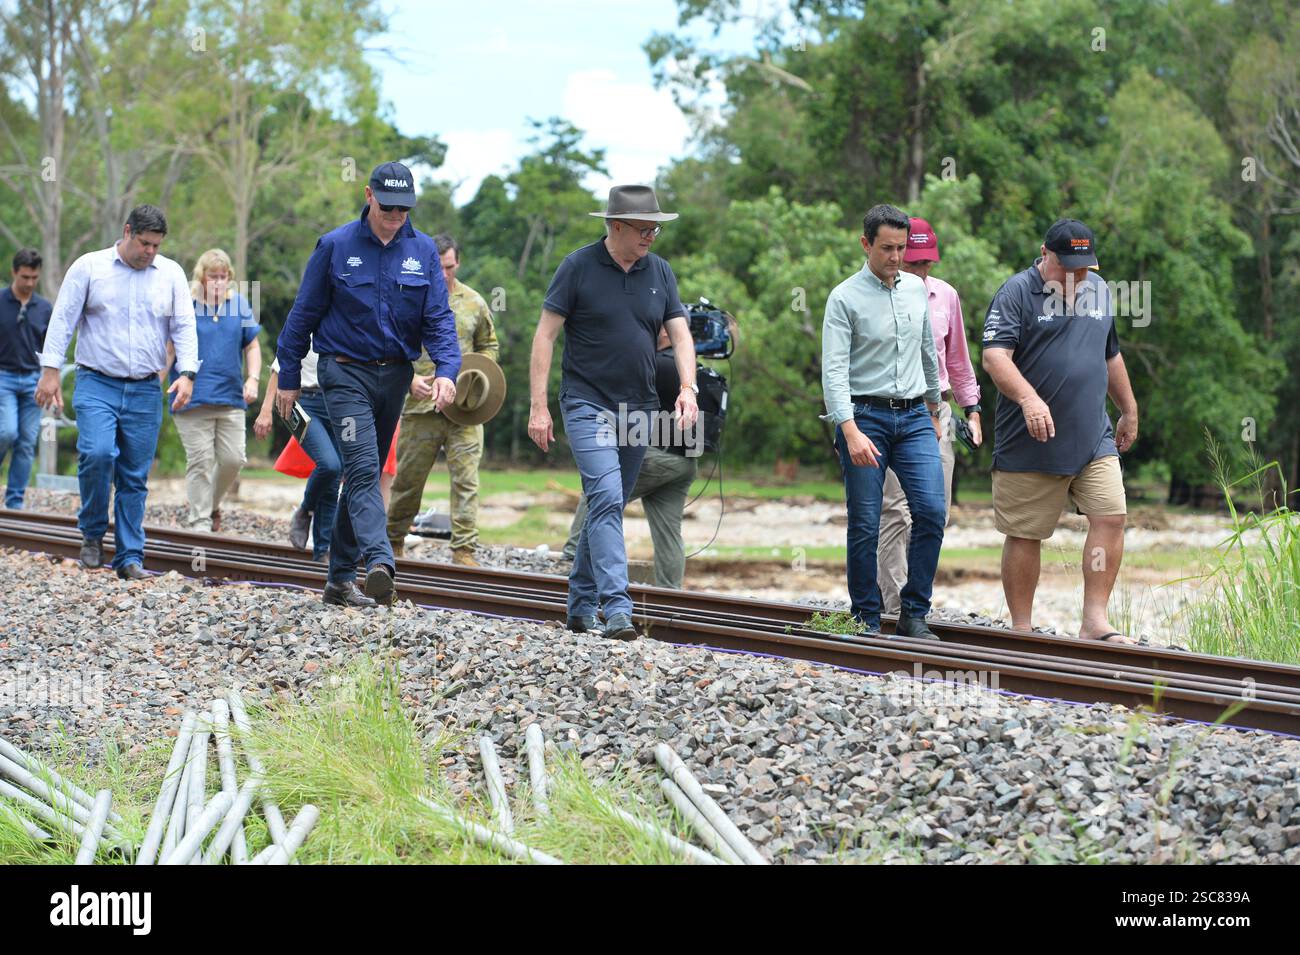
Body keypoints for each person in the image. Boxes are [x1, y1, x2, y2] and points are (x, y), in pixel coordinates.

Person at [275, 161, 460, 608]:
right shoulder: (335, 247)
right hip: (344, 372)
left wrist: (449, 372)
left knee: (366, 472)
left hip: (395, 374)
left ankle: (338, 580)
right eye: (389, 206)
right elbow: (302, 316)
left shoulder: (422, 252)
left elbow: (438, 320)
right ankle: (380, 563)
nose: (396, 216)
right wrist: (288, 377)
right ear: (368, 195)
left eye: (405, 208)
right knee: (360, 468)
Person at [528, 185, 698, 640]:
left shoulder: (660, 271)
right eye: (644, 228)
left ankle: (579, 606)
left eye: (656, 228)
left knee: (609, 504)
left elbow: (681, 337)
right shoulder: (577, 267)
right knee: (604, 499)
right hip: (586, 404)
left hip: (638, 411)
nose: (651, 236)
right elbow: (545, 335)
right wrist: (539, 406)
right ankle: (618, 607)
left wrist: (688, 388)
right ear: (615, 225)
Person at [981, 218, 1139, 643]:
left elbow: (1111, 356)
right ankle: (1021, 628)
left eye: (1083, 268)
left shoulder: (1100, 292)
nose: (1076, 276)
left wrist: (1128, 408)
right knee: (1026, 532)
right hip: (1031, 439)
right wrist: (1030, 399)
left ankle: (1094, 621)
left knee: (1111, 517)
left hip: (1093, 436)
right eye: (1067, 266)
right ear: (1044, 254)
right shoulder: (1016, 292)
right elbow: (995, 358)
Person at [35, 204, 198, 578]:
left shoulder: (170, 274)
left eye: (156, 245)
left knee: (134, 475)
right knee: (97, 453)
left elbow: (184, 327)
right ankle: (92, 533)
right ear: (126, 232)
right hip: (96, 382)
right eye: (144, 243)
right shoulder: (89, 268)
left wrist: (187, 373)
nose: (150, 252)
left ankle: (129, 558)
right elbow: (62, 319)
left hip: (144, 389)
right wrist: (50, 371)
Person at [821, 203, 946, 640]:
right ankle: (866, 618)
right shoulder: (844, 298)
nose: (896, 257)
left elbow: (928, 352)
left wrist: (933, 409)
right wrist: (848, 427)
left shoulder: (915, 289)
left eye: (901, 248)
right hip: (864, 417)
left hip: (913, 416)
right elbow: (833, 370)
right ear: (866, 244)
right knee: (866, 521)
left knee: (932, 511)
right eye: (887, 248)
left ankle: (914, 612)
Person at [877, 217, 982, 614]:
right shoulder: (875, 296)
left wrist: (972, 409)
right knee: (895, 509)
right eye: (912, 264)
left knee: (934, 509)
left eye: (925, 265)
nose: (919, 272)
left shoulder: (946, 297)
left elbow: (958, 360)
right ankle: (895, 604)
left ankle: (914, 594)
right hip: (890, 409)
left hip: (939, 408)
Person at [562, 322, 718, 589]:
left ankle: (568, 560)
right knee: (669, 536)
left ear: (668, 332)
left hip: (654, 457)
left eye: (657, 325)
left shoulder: (657, 365)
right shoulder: (690, 372)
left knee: (596, 492)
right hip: (683, 463)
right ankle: (670, 597)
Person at [386, 233, 499, 565]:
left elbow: (489, 346)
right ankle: (392, 542)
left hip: (465, 410)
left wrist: (480, 378)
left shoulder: (475, 303)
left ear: (457, 263)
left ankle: (463, 549)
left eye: (449, 267)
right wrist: (409, 379)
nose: (444, 274)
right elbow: (388, 347)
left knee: (466, 480)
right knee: (408, 481)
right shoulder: (406, 299)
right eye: (438, 267)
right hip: (420, 408)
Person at [168, 249, 260, 532]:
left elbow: (252, 345)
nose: (219, 282)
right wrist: (151, 385)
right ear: (202, 277)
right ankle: (199, 523)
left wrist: (253, 378)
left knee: (234, 460)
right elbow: (169, 350)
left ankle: (210, 505)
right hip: (192, 399)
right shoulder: (187, 304)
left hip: (230, 396)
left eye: (224, 277)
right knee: (201, 461)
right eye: (213, 277)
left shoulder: (239, 305)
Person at [255, 345, 340, 563]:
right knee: (330, 465)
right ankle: (305, 510)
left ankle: (323, 551)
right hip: (306, 402)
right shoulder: (307, 316)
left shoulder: (348, 322)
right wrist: (266, 411)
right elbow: (279, 366)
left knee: (333, 481)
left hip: (340, 402)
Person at [0, 248, 52, 509]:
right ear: (14, 272)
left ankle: (14, 502)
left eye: (34, 277)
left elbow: (51, 351)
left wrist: (54, 387)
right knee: (6, 432)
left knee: (26, 442)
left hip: (34, 380)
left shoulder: (44, 308)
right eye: (24, 277)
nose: (29, 283)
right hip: (3, 378)